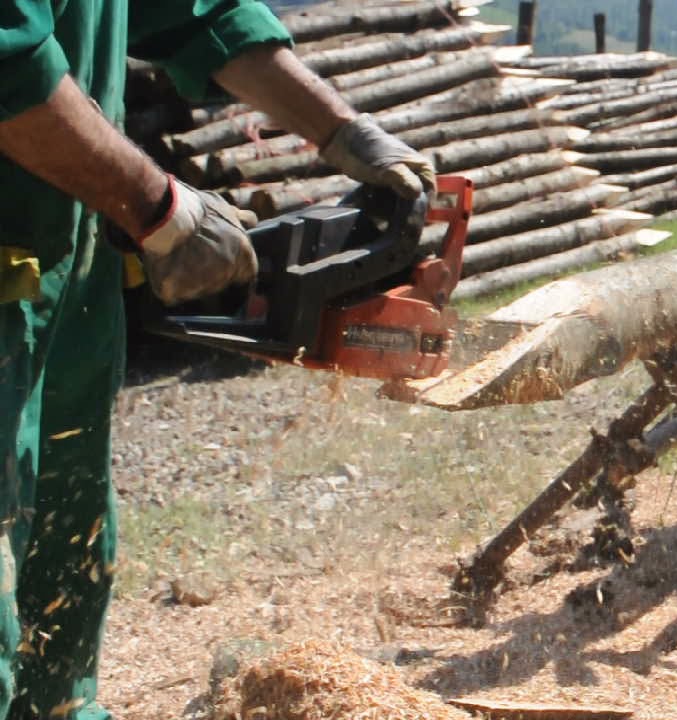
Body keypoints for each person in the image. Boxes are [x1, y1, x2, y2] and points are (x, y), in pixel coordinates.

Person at [0, 2, 435, 716]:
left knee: (64, 523)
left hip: (67, 270)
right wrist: (158, 208)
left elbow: (192, 9)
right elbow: (8, 64)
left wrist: (345, 131)